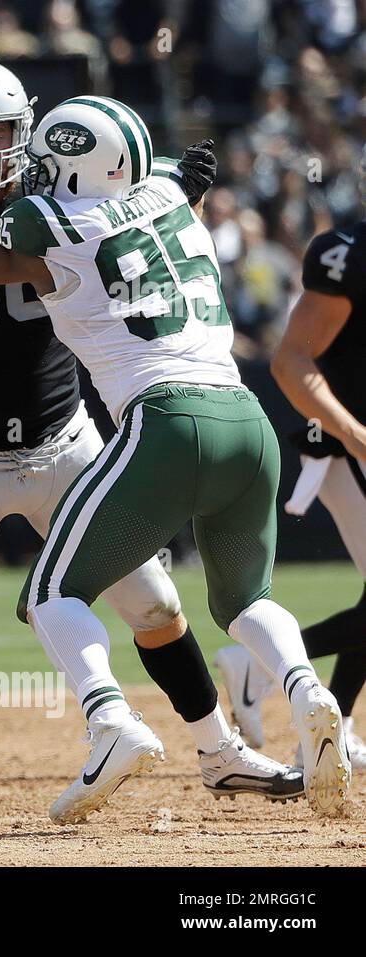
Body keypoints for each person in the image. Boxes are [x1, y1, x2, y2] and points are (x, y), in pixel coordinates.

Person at [0, 60, 299, 826]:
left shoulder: (62, 187)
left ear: (24, 129)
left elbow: (133, 206)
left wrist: (160, 186)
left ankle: (220, 748)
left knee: (157, 605)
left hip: (62, 437)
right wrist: (16, 253)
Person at [0, 93, 351, 819]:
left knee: (50, 595)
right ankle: (307, 689)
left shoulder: (56, 219)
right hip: (248, 422)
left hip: (165, 421)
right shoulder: (174, 194)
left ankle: (111, 718)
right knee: (247, 599)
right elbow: (159, 173)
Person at [215, 159, 366, 771]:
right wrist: (357, 436)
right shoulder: (347, 254)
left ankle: (294, 689)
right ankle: (269, 670)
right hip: (341, 439)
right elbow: (290, 362)